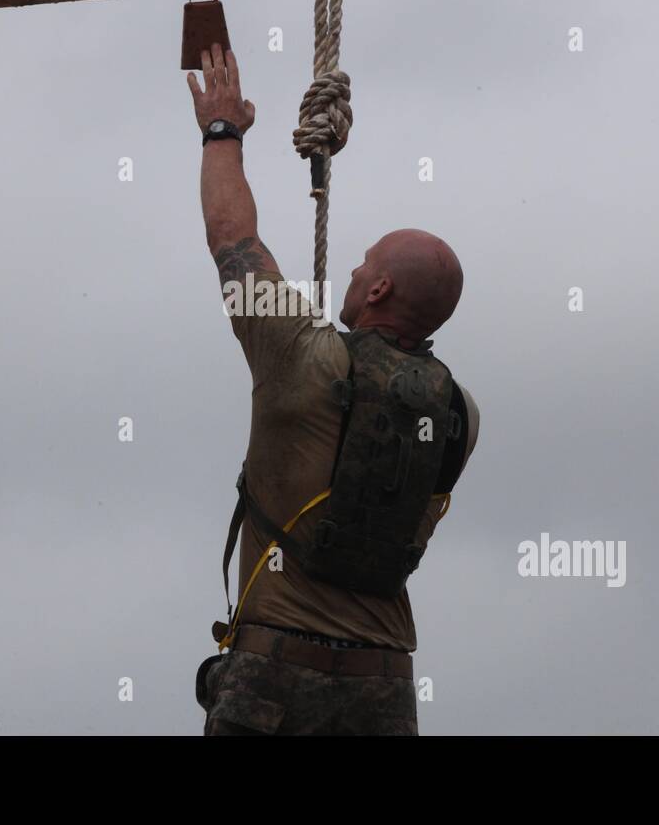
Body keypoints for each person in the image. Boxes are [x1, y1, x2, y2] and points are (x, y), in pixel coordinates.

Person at [187, 43, 480, 735]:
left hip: (274, 673)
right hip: (384, 681)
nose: (350, 270)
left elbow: (232, 237)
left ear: (377, 289)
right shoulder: (462, 413)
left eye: (363, 264)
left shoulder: (302, 356)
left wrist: (221, 130)